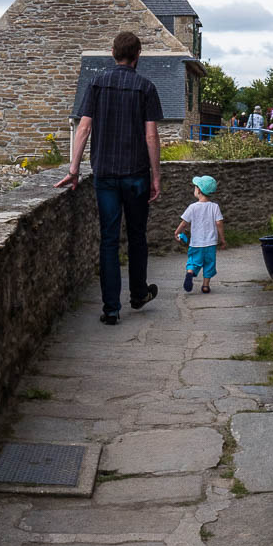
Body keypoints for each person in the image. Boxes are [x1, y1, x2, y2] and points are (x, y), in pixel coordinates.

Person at [55, 29, 161, 325]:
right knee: (138, 236)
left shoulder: (97, 83)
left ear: (113, 54)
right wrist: (156, 175)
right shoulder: (146, 87)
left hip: (105, 175)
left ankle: (111, 308)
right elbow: (151, 136)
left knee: (109, 240)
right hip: (137, 175)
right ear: (137, 55)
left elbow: (84, 128)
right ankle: (138, 294)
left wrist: (73, 170)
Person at [175, 174, 224, 293]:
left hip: (196, 243)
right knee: (209, 263)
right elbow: (219, 223)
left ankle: (190, 273)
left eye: (195, 187)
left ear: (199, 190)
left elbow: (184, 222)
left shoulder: (193, 207)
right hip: (211, 243)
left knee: (193, 261)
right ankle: (205, 286)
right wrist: (222, 239)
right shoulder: (214, 207)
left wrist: (177, 232)